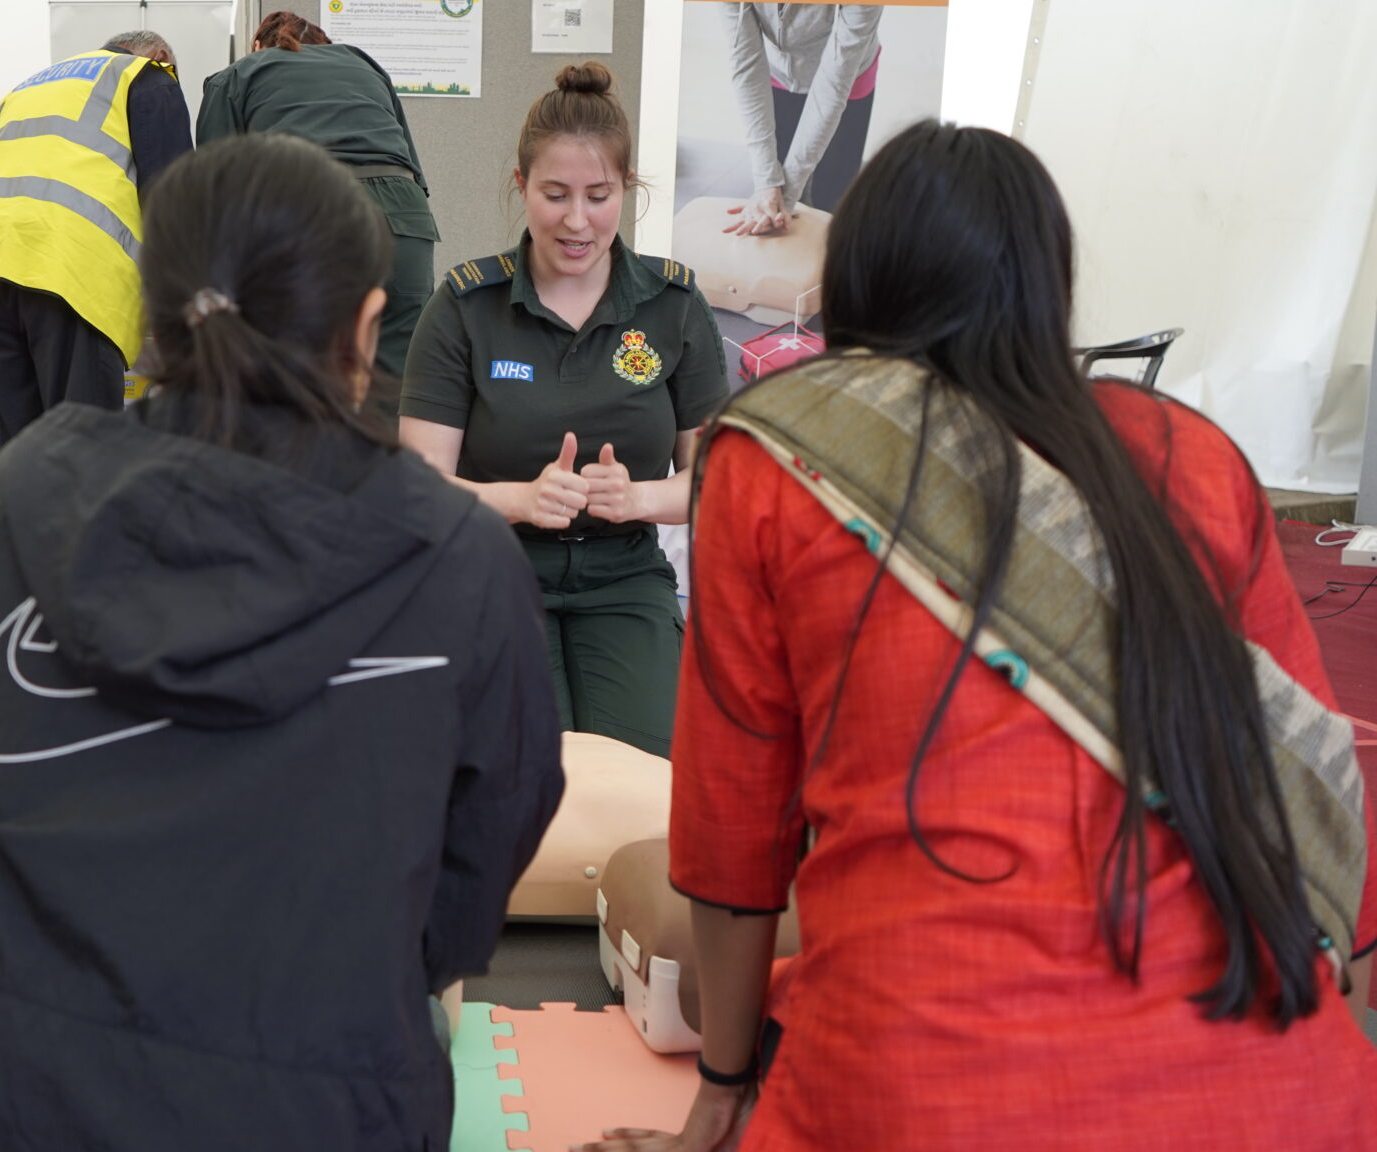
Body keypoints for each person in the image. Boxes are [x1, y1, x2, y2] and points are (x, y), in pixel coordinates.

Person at [582, 123, 1377, 1152]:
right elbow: (1311, 787)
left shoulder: (778, 455)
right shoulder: (1191, 454)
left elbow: (733, 841)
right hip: (1279, 1087)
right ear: (1046, 284)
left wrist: (720, 1098)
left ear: (854, 280)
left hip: (924, 1087)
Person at [0, 134, 565, 1151]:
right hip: (289, 1092)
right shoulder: (458, 555)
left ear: (143, 307)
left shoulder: (29, 482)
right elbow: (474, 868)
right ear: (366, 328)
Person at [399, 62, 729, 758]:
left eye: (599, 196)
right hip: (498, 570)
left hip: (625, 579)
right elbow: (416, 488)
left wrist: (636, 496)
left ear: (626, 192)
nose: (577, 221)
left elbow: (711, 484)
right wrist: (520, 499)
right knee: (525, 776)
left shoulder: (674, 308)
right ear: (521, 188)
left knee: (646, 776)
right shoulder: (465, 307)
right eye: (554, 195)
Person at [0, 31, 193, 470]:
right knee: (82, 453)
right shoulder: (144, 76)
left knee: (8, 454)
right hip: (70, 267)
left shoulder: (26, 88)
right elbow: (173, 199)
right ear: (161, 56)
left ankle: (7, 540)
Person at [197, 11, 439, 417]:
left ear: (259, 45)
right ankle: (385, 477)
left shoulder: (239, 74)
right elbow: (413, 169)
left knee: (294, 378)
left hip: (310, 210)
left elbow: (214, 193)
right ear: (326, 46)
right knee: (394, 383)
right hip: (404, 221)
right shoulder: (364, 66)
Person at [718, 3, 883, 236]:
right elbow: (746, 66)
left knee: (833, 203)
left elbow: (833, 86)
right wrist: (767, 185)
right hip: (781, 73)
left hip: (848, 76)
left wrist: (783, 199)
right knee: (778, 196)